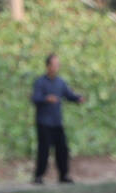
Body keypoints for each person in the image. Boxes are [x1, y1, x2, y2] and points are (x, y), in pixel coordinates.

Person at [31, 53, 85, 184]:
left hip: (57, 122)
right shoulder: (40, 82)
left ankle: (63, 175)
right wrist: (46, 98)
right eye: (54, 65)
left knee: (62, 149)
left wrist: (77, 98)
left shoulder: (60, 82)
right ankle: (39, 176)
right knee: (44, 150)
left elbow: (68, 95)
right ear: (48, 66)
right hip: (44, 122)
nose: (56, 67)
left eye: (58, 65)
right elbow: (35, 98)